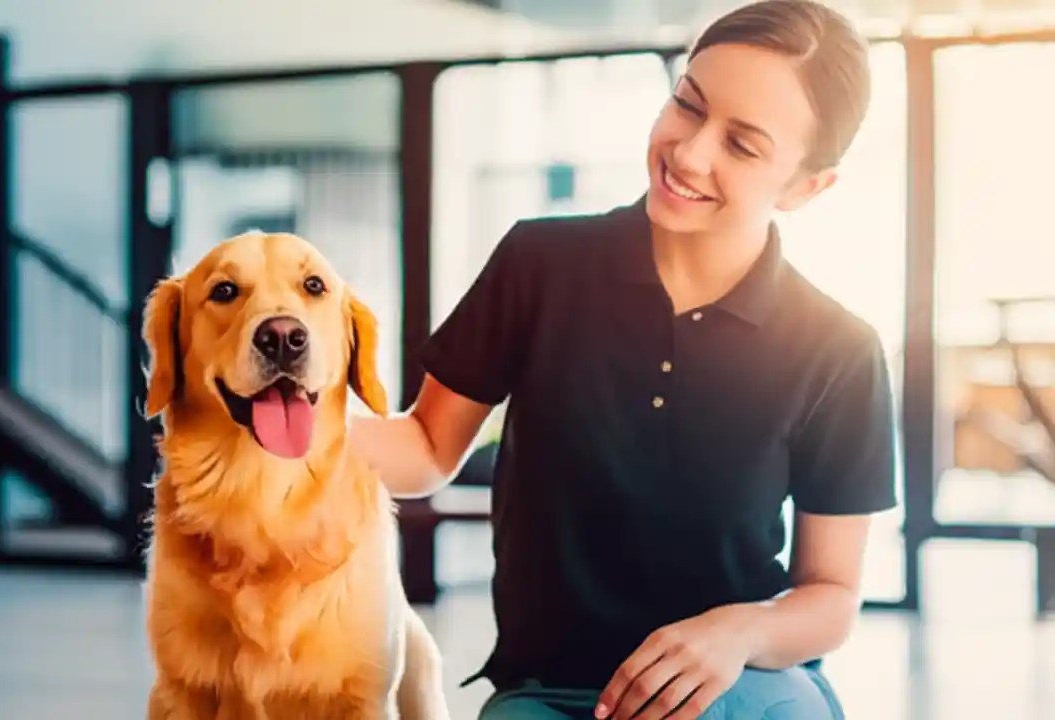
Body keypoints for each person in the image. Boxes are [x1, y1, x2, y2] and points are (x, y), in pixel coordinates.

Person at [352, 1, 897, 718]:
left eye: (742, 145)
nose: (691, 153)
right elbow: (425, 447)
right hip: (549, 692)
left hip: (738, 690)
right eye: (688, 105)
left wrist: (736, 631)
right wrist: (260, 426)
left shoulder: (839, 349)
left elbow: (830, 596)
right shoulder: (539, 263)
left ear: (805, 187)